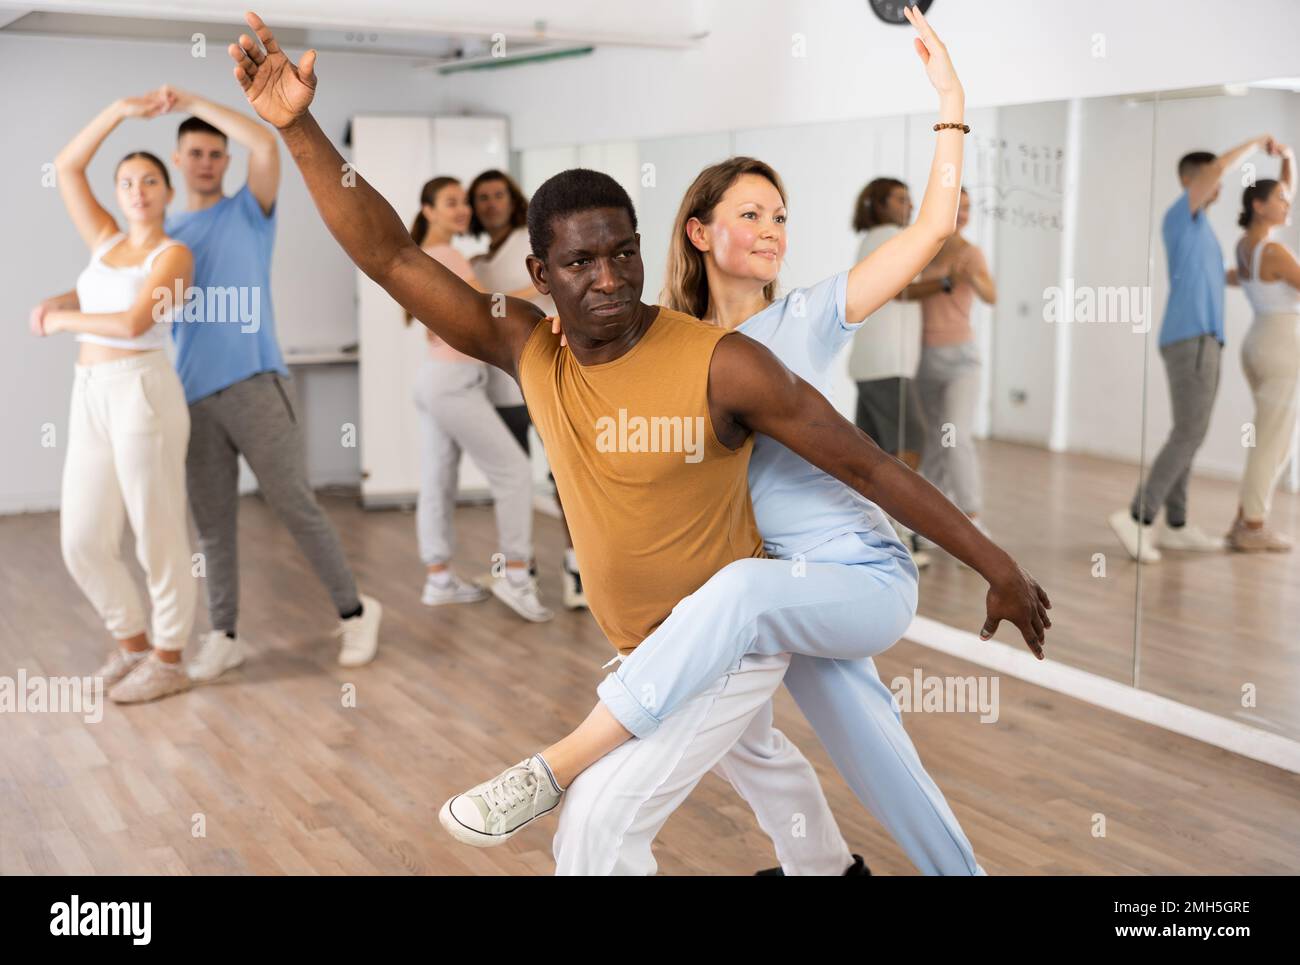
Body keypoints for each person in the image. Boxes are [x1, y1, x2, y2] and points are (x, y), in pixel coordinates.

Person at [227, 6, 1049, 877]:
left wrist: (995, 561)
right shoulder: (528, 345)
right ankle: (829, 871)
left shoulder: (723, 363)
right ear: (540, 276)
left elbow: (869, 465)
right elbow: (391, 255)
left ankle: (554, 769)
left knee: (594, 828)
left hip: (722, 640)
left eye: (622, 253)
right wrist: (301, 127)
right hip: (649, 645)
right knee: (772, 762)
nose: (610, 277)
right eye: (581, 263)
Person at [147, 85, 382, 678]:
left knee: (293, 506)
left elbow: (263, 139)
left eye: (214, 153)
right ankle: (223, 634)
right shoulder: (164, 235)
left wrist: (190, 100)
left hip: (256, 385)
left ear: (225, 161)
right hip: (193, 398)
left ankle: (356, 613)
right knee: (214, 527)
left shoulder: (249, 211)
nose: (205, 162)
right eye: (195, 153)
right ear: (177, 160)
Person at [31, 92, 196, 702]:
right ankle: (132, 644)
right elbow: (68, 166)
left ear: (165, 192)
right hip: (90, 392)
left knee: (157, 534)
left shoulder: (173, 254)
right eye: (126, 181)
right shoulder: (103, 240)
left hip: (142, 391)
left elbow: (130, 323)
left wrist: (61, 318)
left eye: (149, 180)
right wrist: (119, 112)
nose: (136, 190)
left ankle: (171, 657)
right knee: (82, 538)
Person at [1109, 135, 1276, 563]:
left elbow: (1220, 276)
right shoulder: (1180, 216)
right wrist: (1257, 143)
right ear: (1191, 179)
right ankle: (1138, 517)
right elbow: (1216, 170)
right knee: (1189, 432)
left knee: (1190, 431)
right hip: (1191, 339)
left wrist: (1257, 273)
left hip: (1202, 341)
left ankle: (1177, 525)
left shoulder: (1200, 231)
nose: (1218, 185)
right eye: (1210, 178)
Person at [408, 176, 551, 620]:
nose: (462, 211)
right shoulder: (446, 255)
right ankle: (517, 576)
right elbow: (483, 304)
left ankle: (439, 578)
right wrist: (543, 286)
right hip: (453, 381)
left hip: (435, 378)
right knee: (513, 471)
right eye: (450, 203)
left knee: (437, 479)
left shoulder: (424, 255)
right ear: (428, 209)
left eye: (461, 203)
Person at [468, 168, 586, 609]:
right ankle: (520, 571)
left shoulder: (528, 243)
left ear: (511, 198)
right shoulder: (478, 262)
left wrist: (491, 300)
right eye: (482, 198)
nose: (491, 203)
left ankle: (577, 569)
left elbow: (551, 284)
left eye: (498, 194)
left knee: (563, 477)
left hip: (546, 375)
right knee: (511, 482)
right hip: (502, 384)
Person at [848, 176, 930, 567]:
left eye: (910, 200)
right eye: (901, 199)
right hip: (885, 365)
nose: (909, 207)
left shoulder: (876, 238)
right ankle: (900, 525)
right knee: (912, 438)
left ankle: (877, 526)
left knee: (875, 451)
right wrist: (949, 280)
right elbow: (902, 291)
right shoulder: (886, 236)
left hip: (876, 363)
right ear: (879, 205)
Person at [911, 186, 996, 544]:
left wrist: (970, 277)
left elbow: (991, 295)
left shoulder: (970, 252)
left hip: (962, 359)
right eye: (957, 208)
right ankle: (931, 523)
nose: (963, 215)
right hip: (926, 358)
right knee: (934, 440)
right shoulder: (922, 251)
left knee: (956, 435)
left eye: (968, 208)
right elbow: (904, 292)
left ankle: (972, 518)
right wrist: (942, 281)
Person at [1227, 143, 1299, 552]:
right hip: (1280, 346)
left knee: (1267, 439)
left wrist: (1287, 158)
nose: (1288, 204)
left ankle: (1244, 519)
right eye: (1281, 200)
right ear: (1259, 205)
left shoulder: (1247, 245)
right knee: (1274, 443)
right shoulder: (1273, 250)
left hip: (1258, 344)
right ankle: (1253, 526)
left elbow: (1282, 190)